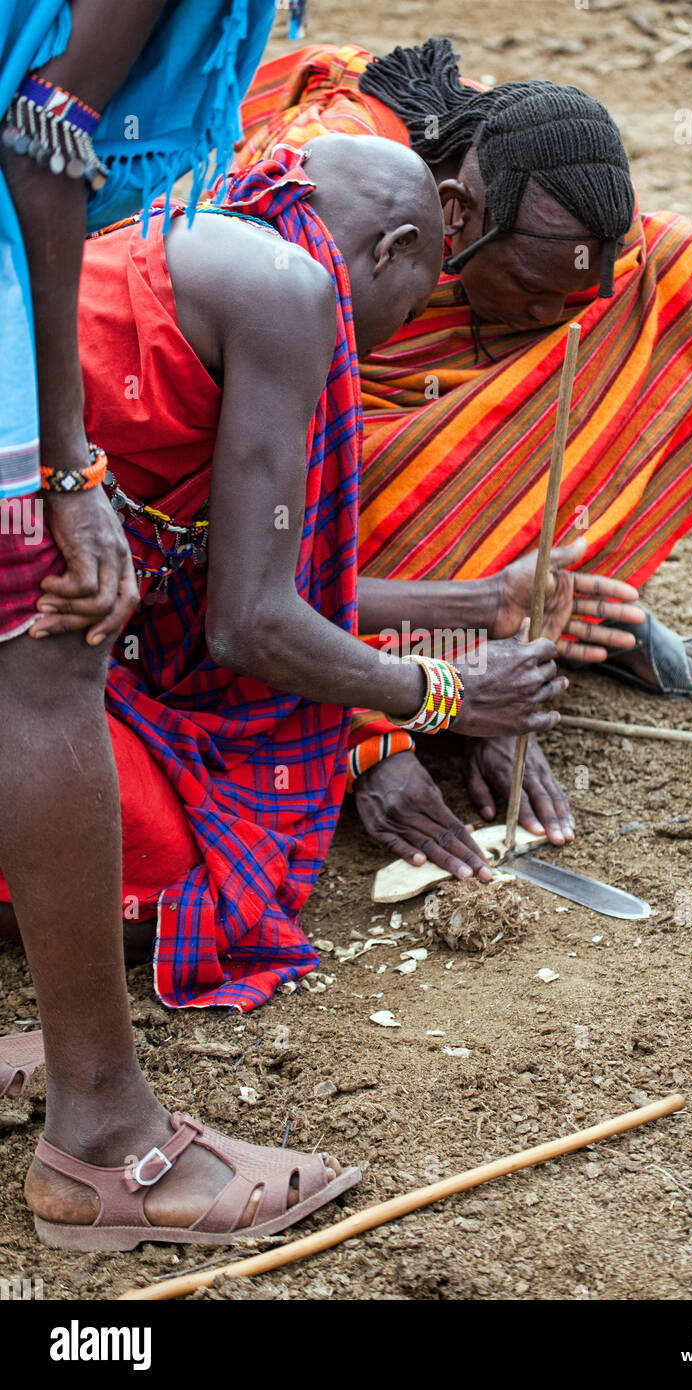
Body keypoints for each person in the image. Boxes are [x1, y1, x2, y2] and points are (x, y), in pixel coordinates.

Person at [0, 132, 587, 1247]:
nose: (394, 340)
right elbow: (250, 622)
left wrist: (477, 604)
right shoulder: (291, 291)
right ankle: (103, 1140)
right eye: (415, 303)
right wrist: (448, 698)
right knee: (160, 857)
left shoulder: (206, 233)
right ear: (402, 247)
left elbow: (239, 565)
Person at [234, 36, 692, 880]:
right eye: (535, 292)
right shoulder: (323, 199)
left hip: (454, 353)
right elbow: (255, 497)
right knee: (394, 464)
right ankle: (379, 679)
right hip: (330, 423)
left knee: (668, 269)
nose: (551, 317)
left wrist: (515, 690)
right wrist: (376, 739)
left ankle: (561, 607)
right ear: (455, 213)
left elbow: (586, 284)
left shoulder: (549, 161)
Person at [0, 0, 372, 1253]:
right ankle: (106, 1143)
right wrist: (67, 470)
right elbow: (44, 133)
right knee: (44, 660)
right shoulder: (276, 284)